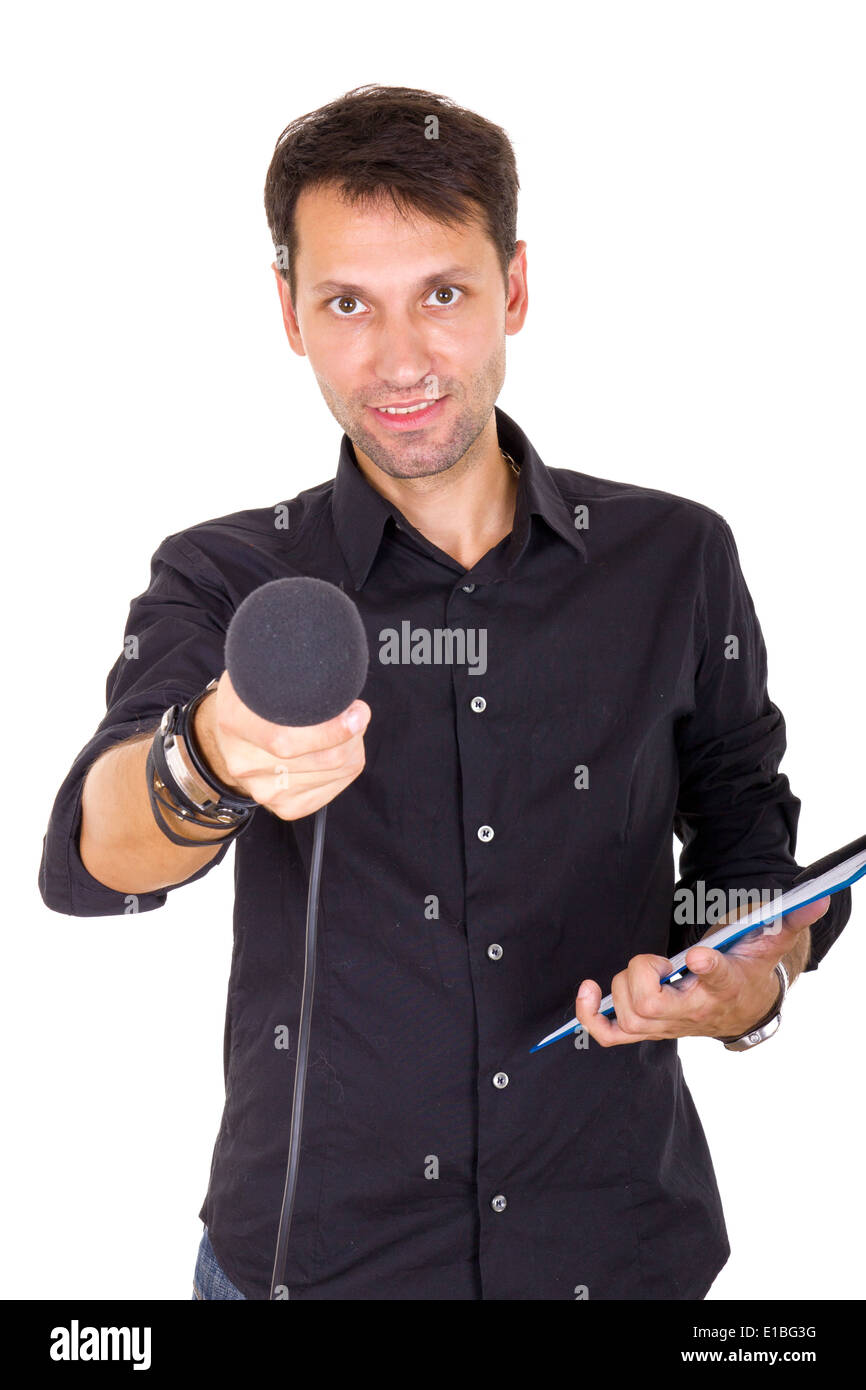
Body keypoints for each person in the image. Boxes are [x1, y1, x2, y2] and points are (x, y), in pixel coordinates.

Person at [39, 84, 850, 1301]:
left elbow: (743, 838)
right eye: (349, 304)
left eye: (445, 294)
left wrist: (752, 980)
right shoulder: (229, 574)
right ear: (290, 313)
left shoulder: (674, 557)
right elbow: (96, 856)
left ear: (514, 289)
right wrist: (205, 762)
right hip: (310, 1272)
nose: (402, 358)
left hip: (615, 1258)